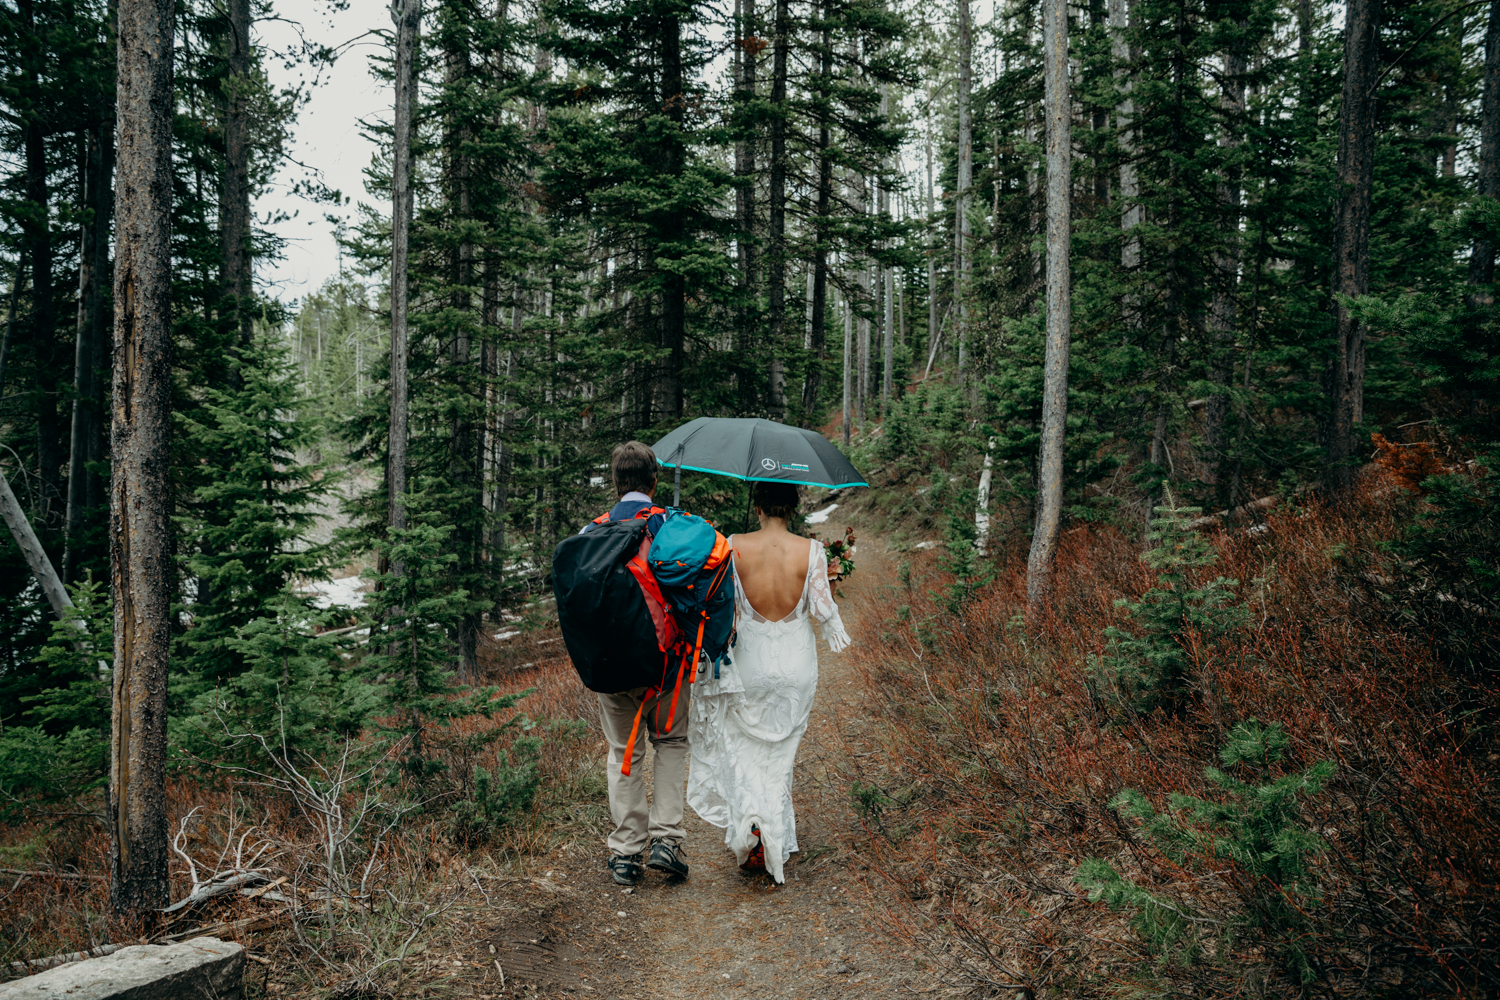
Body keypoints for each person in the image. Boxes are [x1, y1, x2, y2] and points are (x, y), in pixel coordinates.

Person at [687, 480, 851, 883]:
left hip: (749, 663)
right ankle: (775, 831)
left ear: (757, 506)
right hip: (795, 665)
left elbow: (724, 609)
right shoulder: (811, 550)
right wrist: (831, 579)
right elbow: (823, 610)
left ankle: (752, 826)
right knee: (779, 757)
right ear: (792, 508)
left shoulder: (734, 545)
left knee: (742, 749)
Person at [586, 441, 691, 885]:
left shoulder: (591, 534)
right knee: (670, 743)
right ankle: (667, 840)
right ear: (654, 481)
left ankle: (627, 852)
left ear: (616, 483)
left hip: (611, 669)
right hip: (666, 667)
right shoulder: (669, 527)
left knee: (623, 752)